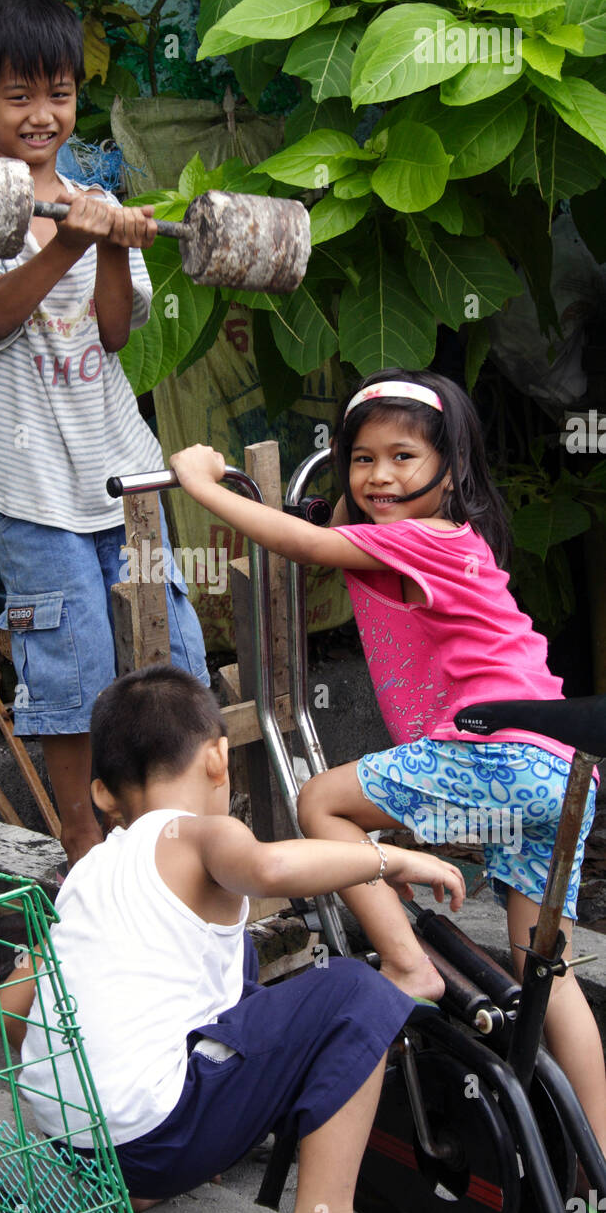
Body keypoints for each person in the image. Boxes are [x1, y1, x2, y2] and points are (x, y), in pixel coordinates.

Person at [168, 367, 606, 1156]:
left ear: (452, 467)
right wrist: (354, 480)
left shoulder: (417, 538)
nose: (380, 477)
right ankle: (597, 1169)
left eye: (404, 457)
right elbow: (338, 519)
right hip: (556, 771)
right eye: (362, 459)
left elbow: (302, 541)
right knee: (548, 969)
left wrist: (200, 482)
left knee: (320, 804)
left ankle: (410, 965)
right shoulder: (452, 536)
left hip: (493, 754)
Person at [0, 664, 465, 1213]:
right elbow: (269, 868)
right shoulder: (197, 833)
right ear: (218, 757)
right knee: (354, 991)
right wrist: (392, 858)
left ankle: (157, 1170)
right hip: (156, 1139)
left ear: (101, 793)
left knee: (231, 959)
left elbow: (8, 1011)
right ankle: (325, 1210)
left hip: (73, 1147)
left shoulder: (87, 873)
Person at [0, 0, 208, 868]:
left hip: (126, 480)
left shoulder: (95, 200)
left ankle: (176, 846)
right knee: (72, 674)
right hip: (34, 496)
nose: (43, 114)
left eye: (59, 93)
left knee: (173, 661)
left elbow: (118, 333)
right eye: (18, 97)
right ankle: (85, 849)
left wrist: (117, 241)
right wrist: (73, 242)